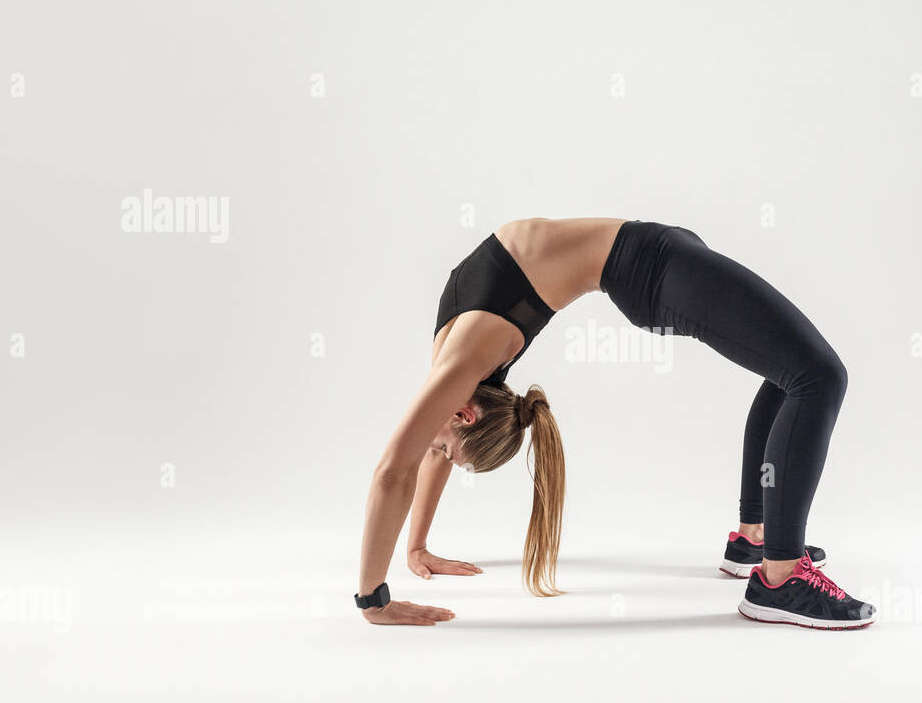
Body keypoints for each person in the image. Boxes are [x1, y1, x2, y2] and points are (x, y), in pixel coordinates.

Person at [353, 218, 876, 630]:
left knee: (804, 377)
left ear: (465, 412)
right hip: (655, 265)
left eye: (445, 451)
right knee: (814, 375)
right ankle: (775, 567)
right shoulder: (460, 365)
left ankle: (760, 549)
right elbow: (421, 452)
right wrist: (413, 550)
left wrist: (374, 597)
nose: (434, 451)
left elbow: (393, 469)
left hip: (653, 264)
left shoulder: (461, 361)